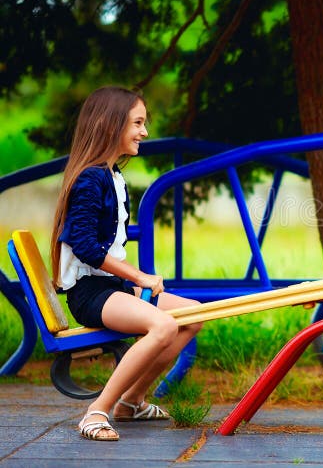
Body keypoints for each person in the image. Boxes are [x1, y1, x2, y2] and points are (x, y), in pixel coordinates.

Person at [50, 86, 203, 440]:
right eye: (137, 122)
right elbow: (85, 246)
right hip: (90, 293)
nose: (144, 132)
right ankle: (96, 411)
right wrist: (139, 277)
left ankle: (131, 402)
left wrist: (132, 281)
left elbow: (110, 247)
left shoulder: (112, 176)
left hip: (111, 287)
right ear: (110, 124)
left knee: (191, 316)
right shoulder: (90, 178)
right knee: (163, 326)